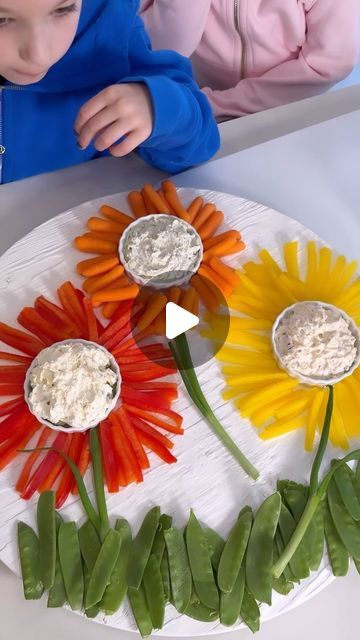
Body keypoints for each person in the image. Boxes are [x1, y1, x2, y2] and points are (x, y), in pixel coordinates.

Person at [0, 0, 220, 184]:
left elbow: (198, 145)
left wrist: (156, 106)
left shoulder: (110, 26)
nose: (39, 55)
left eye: (63, 9)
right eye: (2, 20)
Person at [140, 0, 360, 119]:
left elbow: (326, 66)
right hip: (187, 103)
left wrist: (213, 105)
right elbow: (161, 51)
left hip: (298, 108)